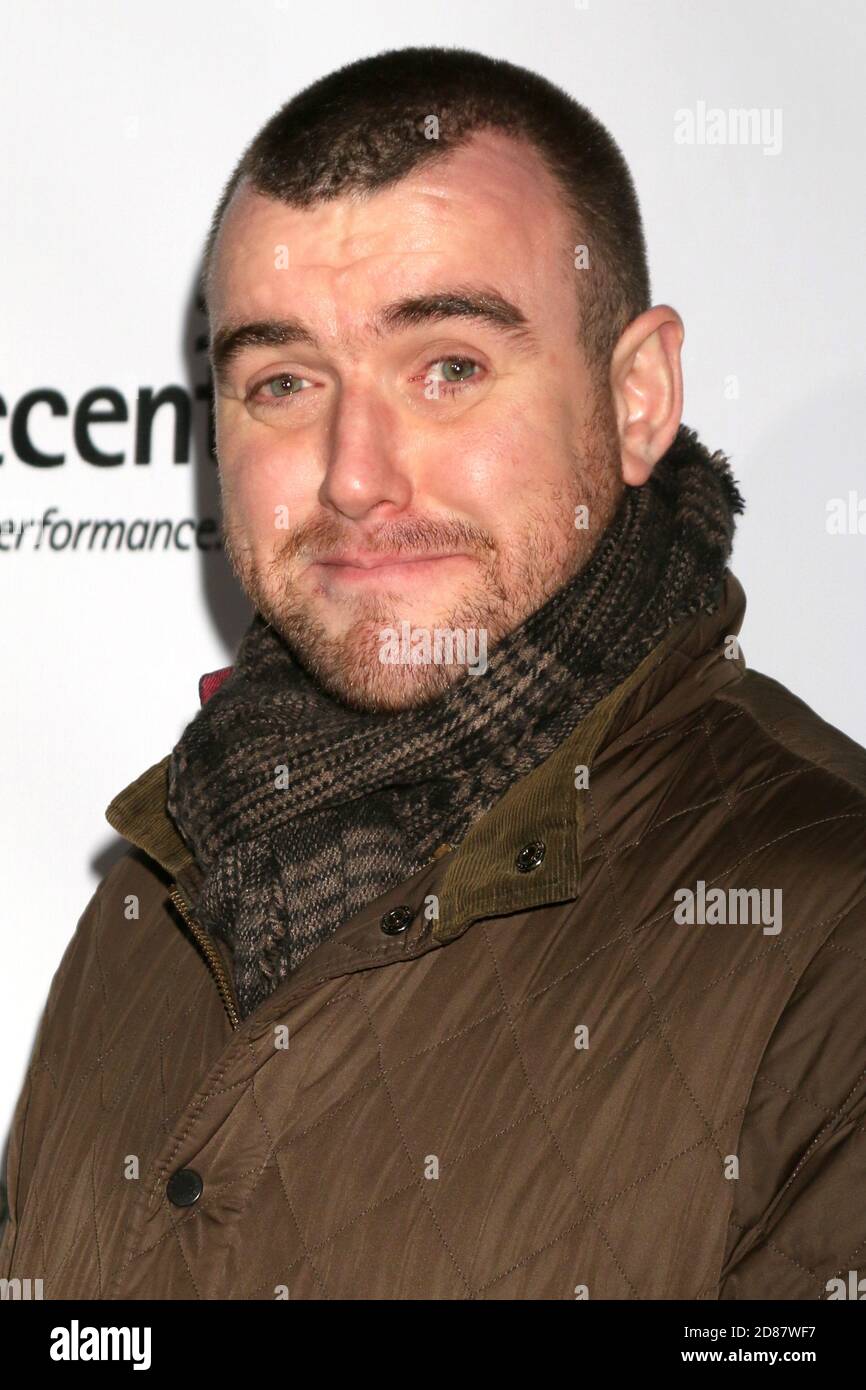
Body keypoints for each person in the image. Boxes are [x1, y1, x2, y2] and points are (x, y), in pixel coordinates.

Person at [2, 44, 864, 1301]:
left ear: (636, 397)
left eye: (448, 367)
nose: (354, 473)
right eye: (284, 382)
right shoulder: (161, 883)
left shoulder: (832, 932)